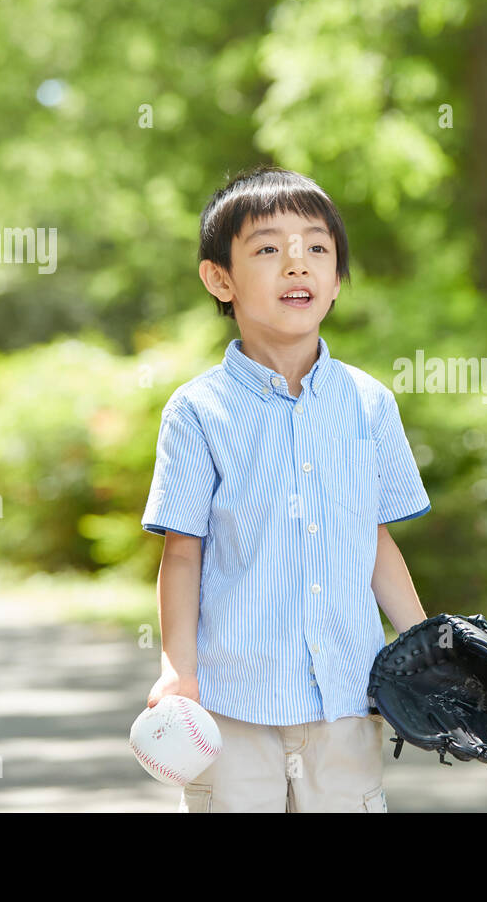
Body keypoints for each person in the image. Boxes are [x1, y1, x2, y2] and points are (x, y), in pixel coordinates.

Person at [139, 165, 432, 812]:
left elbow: (374, 540)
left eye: (317, 249)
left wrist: (425, 646)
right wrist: (177, 671)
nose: (296, 266)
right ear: (221, 278)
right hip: (232, 703)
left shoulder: (369, 404)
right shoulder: (198, 412)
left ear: (335, 283)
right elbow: (182, 555)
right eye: (269, 249)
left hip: (346, 699)